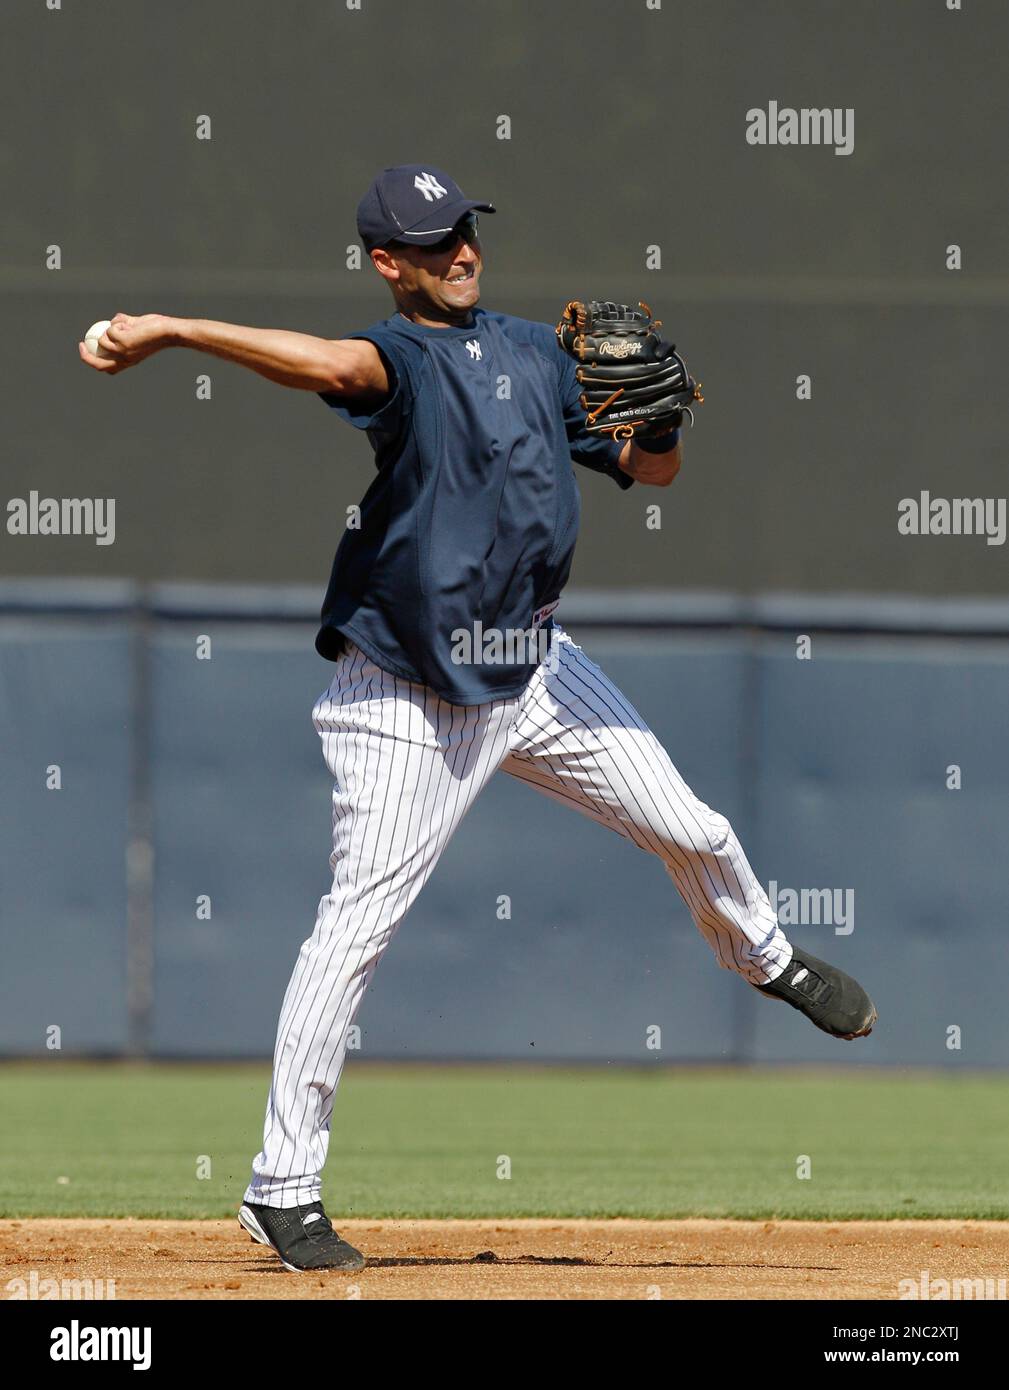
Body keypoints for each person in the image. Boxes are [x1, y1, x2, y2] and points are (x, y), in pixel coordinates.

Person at [80, 163, 876, 1275]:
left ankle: (768, 957)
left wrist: (653, 418)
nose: (461, 251)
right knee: (353, 935)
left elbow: (657, 471)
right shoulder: (397, 359)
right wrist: (170, 328)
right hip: (406, 695)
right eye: (433, 240)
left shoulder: (538, 353)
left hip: (535, 668)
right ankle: (280, 1189)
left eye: (465, 231)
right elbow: (318, 361)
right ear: (387, 262)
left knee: (692, 829)